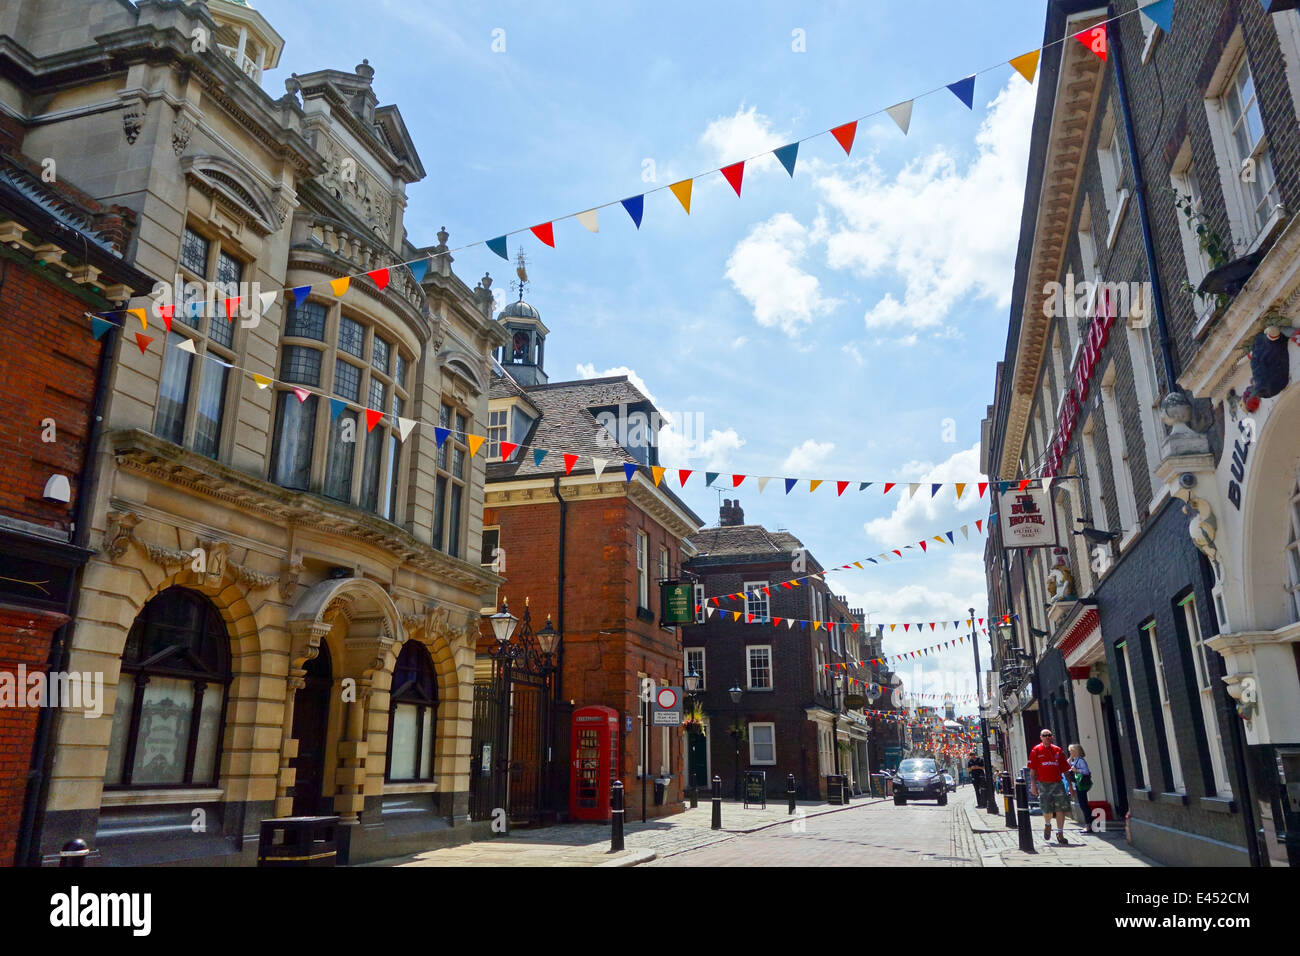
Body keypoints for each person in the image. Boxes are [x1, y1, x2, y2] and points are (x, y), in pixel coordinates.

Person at [1028, 728, 1073, 845]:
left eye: (1049, 735)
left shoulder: (1058, 751)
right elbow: (1032, 771)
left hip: (1058, 783)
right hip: (1043, 784)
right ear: (1041, 737)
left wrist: (1070, 786)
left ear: (1052, 737)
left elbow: (1066, 770)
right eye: (1044, 735)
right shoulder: (1036, 750)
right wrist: (1033, 785)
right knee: (1047, 808)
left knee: (1061, 808)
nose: (1047, 737)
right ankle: (1048, 825)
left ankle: (1060, 833)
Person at [1068, 743, 1092, 830]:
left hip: (1081, 784)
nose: (1070, 752)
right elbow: (1067, 764)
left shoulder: (1080, 760)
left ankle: (1089, 824)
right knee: (1082, 803)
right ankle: (1089, 822)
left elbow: (1086, 771)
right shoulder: (1075, 760)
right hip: (1078, 784)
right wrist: (1070, 758)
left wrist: (1077, 770)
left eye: (1071, 751)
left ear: (1075, 751)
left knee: (1083, 803)